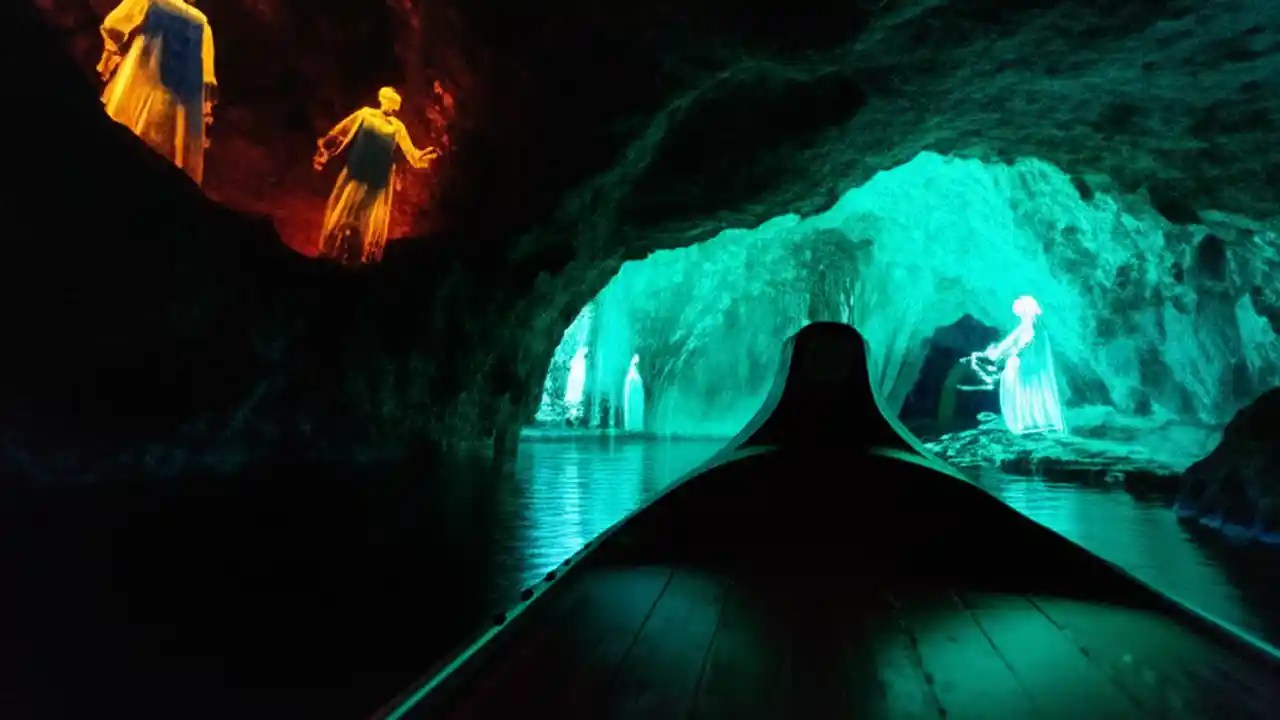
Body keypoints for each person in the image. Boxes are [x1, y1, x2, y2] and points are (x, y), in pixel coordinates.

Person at [312, 87, 441, 264]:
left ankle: (356, 255)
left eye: (396, 106)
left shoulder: (397, 127)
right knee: (348, 208)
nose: (393, 108)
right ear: (383, 100)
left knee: (366, 215)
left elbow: (413, 155)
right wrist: (324, 151)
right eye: (392, 103)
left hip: (378, 176)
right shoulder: (366, 114)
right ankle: (335, 249)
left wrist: (425, 155)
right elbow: (341, 133)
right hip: (359, 169)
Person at [97, 0, 218, 184]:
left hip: (140, 84)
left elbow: (116, 24)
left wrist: (109, 56)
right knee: (163, 152)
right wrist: (204, 114)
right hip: (177, 103)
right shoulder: (201, 24)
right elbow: (206, 78)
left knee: (127, 134)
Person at [982, 295, 1066, 435]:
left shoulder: (1033, 329)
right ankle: (1028, 422)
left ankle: (1031, 423)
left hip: (1025, 370)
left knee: (1028, 393)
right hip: (1021, 369)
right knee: (1026, 394)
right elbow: (1007, 345)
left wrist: (1007, 353)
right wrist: (999, 352)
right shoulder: (1026, 328)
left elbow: (1024, 349)